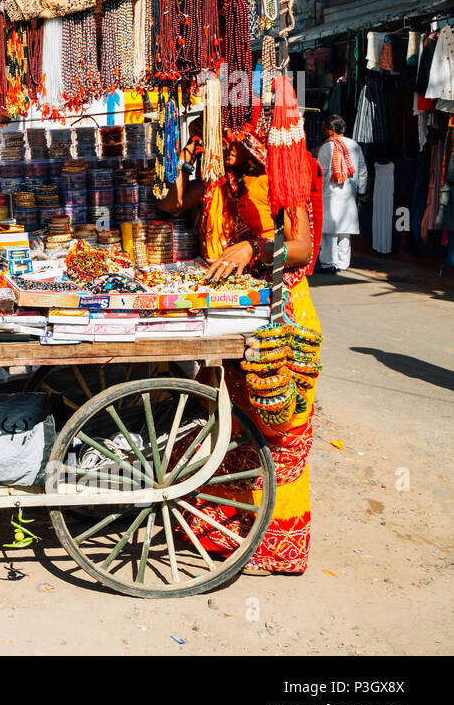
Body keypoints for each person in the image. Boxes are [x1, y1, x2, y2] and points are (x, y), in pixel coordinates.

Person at [158, 80, 322, 574]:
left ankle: (277, 548)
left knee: (277, 426)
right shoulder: (212, 172)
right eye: (208, 142)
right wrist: (185, 160)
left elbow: (301, 245)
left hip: (278, 314)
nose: (219, 153)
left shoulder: (281, 168)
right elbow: (171, 203)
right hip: (229, 313)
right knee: (230, 425)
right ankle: (224, 534)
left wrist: (253, 248)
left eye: (221, 142)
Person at [315, 114, 368, 272]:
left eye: (325, 129)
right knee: (344, 233)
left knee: (329, 233)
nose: (324, 132)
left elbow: (321, 173)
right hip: (349, 194)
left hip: (330, 194)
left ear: (332, 130)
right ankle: (342, 263)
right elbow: (362, 170)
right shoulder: (354, 145)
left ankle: (329, 263)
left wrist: (317, 193)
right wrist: (361, 190)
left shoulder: (327, 147)